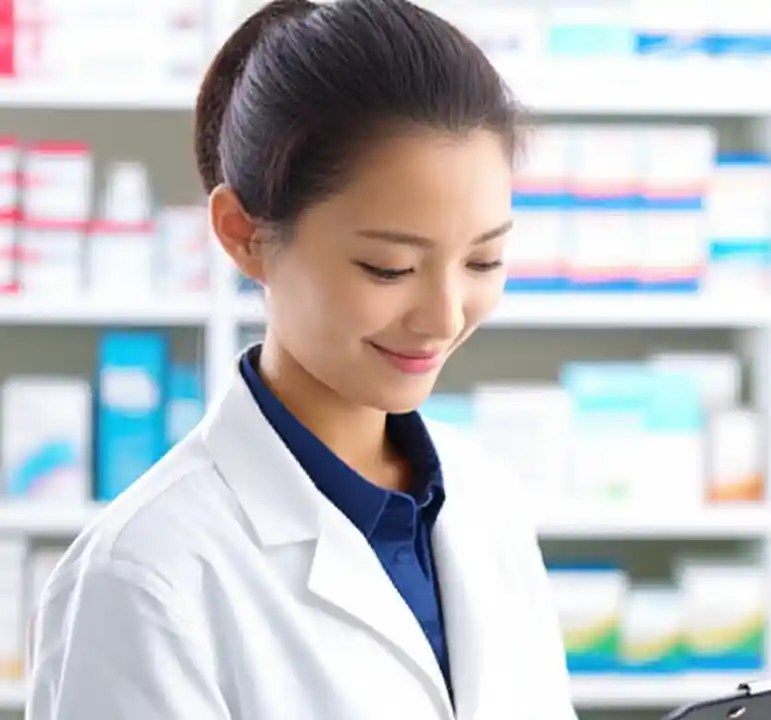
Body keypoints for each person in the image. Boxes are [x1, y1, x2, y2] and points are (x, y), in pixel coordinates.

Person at [25, 1, 577, 718]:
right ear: (243, 233)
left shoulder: (487, 503)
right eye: (388, 267)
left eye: (484, 259)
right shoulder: (143, 575)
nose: (444, 316)